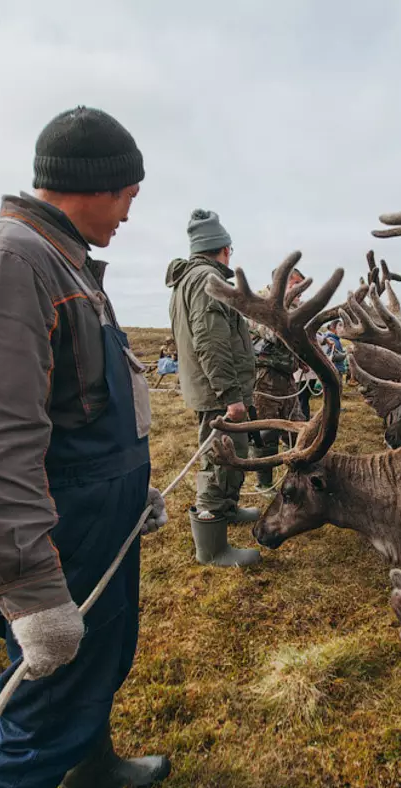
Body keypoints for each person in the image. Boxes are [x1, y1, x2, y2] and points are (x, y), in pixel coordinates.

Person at [0, 106, 170, 788]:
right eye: (128, 191)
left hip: (96, 524)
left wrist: (133, 488)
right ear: (92, 184)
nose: (131, 208)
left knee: (96, 665)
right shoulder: (9, 261)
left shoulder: (63, 263)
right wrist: (32, 590)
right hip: (55, 539)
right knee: (42, 705)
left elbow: (85, 406)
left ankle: (90, 766)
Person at [165, 209, 262, 567]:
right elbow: (211, 341)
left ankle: (227, 509)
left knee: (231, 453)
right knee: (219, 457)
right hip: (218, 393)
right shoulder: (207, 281)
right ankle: (212, 547)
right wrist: (231, 396)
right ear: (222, 248)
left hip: (210, 390)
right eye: (229, 249)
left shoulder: (188, 280)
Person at [249, 268, 307, 489]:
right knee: (266, 431)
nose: (300, 290)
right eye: (296, 283)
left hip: (287, 376)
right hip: (264, 376)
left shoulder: (295, 309)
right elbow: (274, 333)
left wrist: (301, 356)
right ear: (280, 283)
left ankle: (298, 475)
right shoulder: (258, 303)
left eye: (302, 284)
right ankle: (264, 484)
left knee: (297, 426)